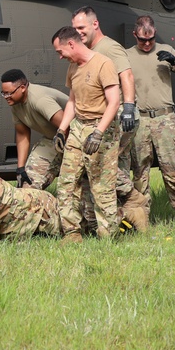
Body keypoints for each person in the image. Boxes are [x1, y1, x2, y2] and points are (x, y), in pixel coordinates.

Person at [70, 6, 148, 218]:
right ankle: (130, 212)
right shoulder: (88, 51)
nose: (78, 33)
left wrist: (129, 108)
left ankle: (133, 199)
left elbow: (127, 76)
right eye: (74, 29)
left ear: (95, 24)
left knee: (102, 162)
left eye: (81, 27)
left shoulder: (109, 47)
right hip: (107, 115)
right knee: (116, 163)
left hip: (120, 113)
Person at [51, 25, 123, 241]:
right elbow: (72, 101)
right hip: (78, 128)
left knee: (101, 186)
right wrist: (62, 129)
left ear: (71, 44)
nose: (61, 57)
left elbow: (114, 102)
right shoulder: (73, 67)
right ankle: (72, 232)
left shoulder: (104, 64)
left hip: (102, 128)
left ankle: (108, 236)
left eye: (60, 51)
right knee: (66, 182)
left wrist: (99, 133)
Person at [125, 16, 175, 221]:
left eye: (151, 40)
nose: (147, 44)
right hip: (140, 120)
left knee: (173, 167)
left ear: (155, 34)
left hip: (165, 119)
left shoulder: (166, 50)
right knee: (139, 171)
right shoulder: (126, 55)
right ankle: (142, 214)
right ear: (134, 35)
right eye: (142, 40)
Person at [0, 69, 68, 190]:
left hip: (77, 138)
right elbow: (22, 133)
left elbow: (67, 126)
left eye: (9, 93)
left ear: (22, 88)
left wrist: (71, 160)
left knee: (73, 187)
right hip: (53, 139)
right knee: (28, 185)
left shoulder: (39, 99)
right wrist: (20, 168)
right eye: (3, 93)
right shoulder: (15, 102)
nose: (6, 97)